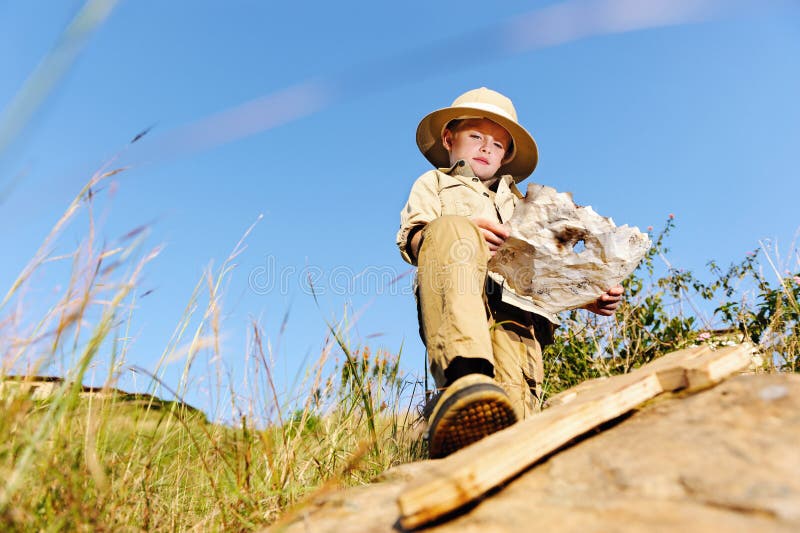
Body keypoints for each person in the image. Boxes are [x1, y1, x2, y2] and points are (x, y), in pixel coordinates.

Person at [396, 87, 623, 458]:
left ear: (506, 156)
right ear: (449, 139)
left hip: (520, 319)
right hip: (462, 299)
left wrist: (588, 292)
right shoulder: (434, 183)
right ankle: (464, 378)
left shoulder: (523, 204)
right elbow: (417, 241)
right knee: (450, 227)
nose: (486, 148)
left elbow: (545, 268)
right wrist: (464, 230)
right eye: (476, 137)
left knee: (513, 419)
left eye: (497, 144)